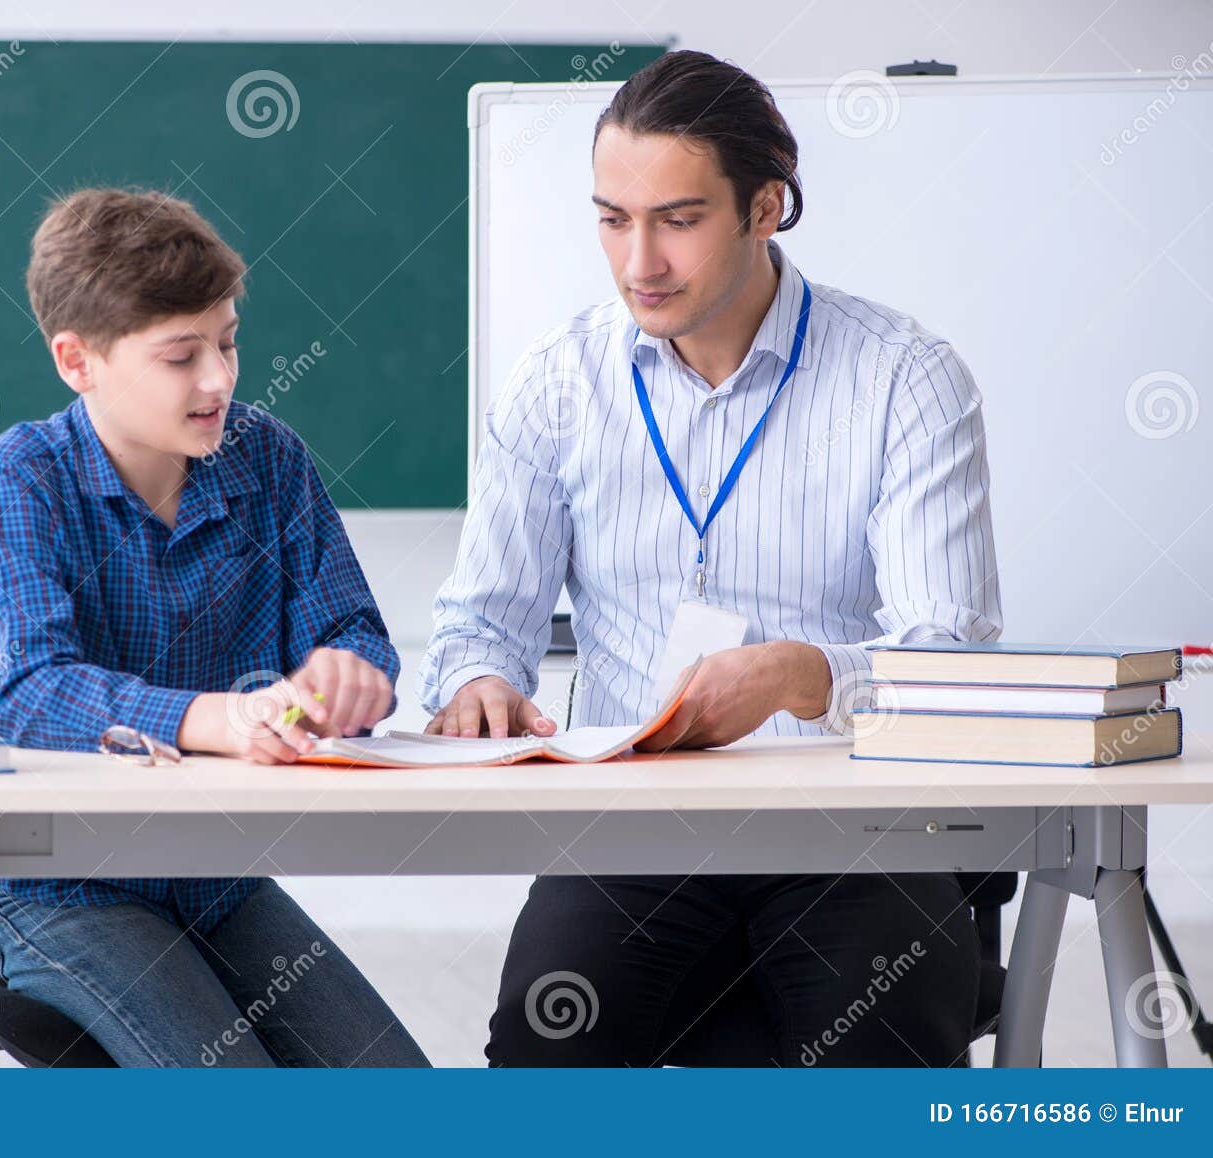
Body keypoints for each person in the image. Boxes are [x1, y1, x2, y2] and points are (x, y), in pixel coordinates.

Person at [419, 51, 1000, 1067]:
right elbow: (479, 625)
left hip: (849, 828)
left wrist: (806, 673)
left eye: (677, 220)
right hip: (632, 832)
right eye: (611, 218)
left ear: (765, 207)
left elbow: (953, 658)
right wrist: (476, 683)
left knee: (883, 1056)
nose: (637, 260)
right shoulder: (556, 383)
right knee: (545, 1051)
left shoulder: (905, 379)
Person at [0, 186, 428, 1068]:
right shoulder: (22, 478)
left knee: (401, 1092)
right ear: (78, 361)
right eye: (182, 356)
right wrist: (221, 719)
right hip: (66, 889)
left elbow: (357, 635)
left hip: (217, 878)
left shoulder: (269, 457)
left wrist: (349, 677)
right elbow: (31, 690)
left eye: (228, 342)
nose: (219, 378)